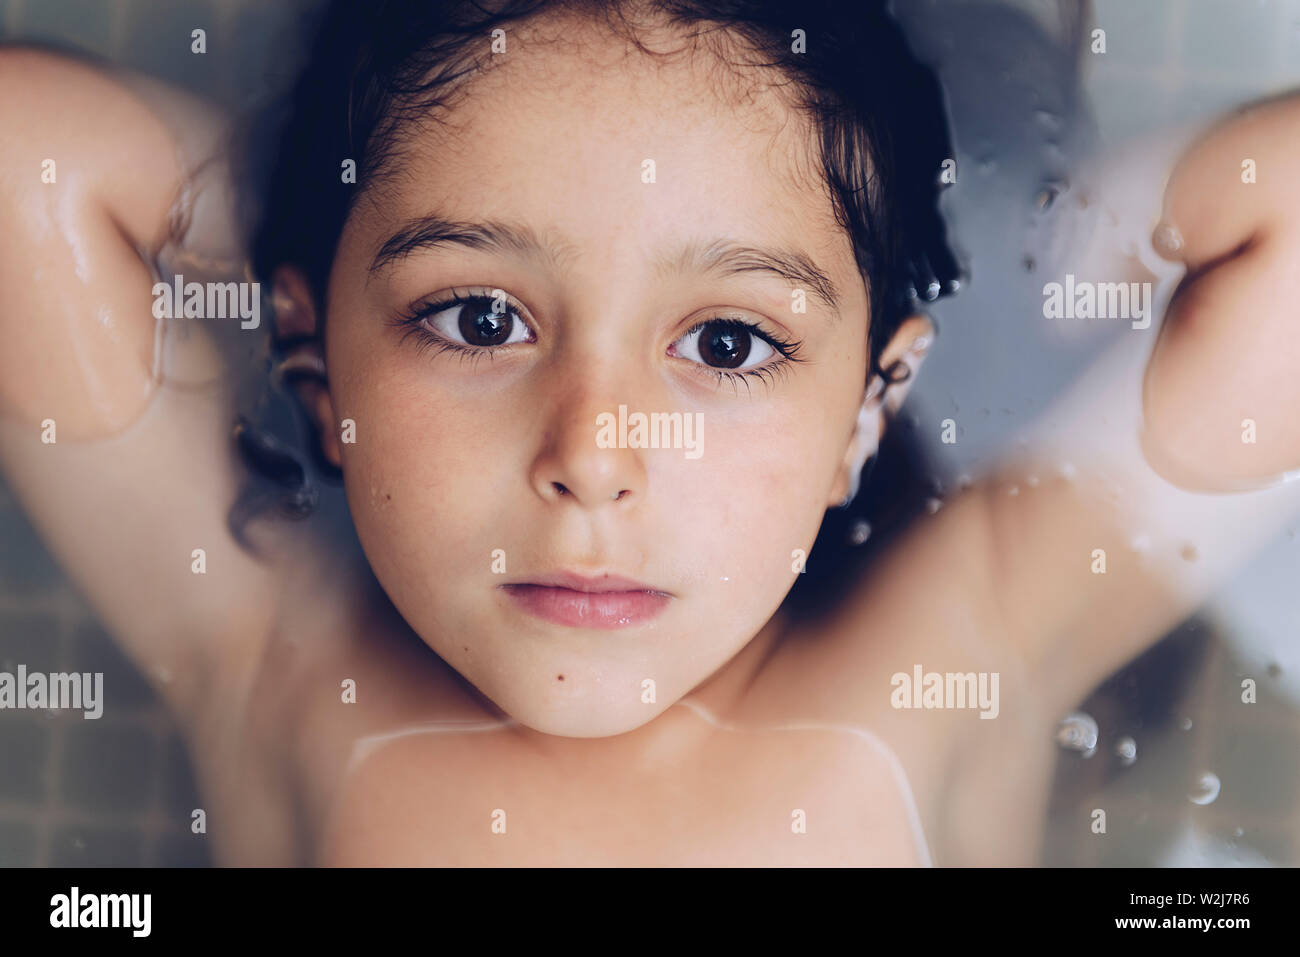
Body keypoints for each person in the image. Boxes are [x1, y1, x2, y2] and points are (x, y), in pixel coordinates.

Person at [2, 0, 1297, 865]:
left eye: (728, 343)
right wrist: (315, 210)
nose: (594, 453)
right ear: (315, 366)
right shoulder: (273, 668)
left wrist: (1071, 244)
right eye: (477, 316)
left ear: (865, 410)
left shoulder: (958, 648)